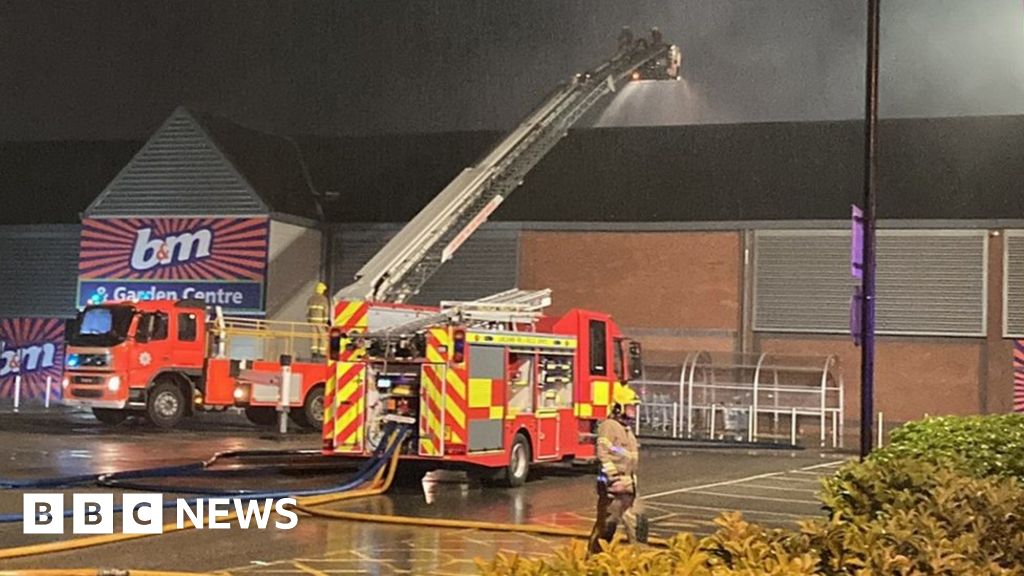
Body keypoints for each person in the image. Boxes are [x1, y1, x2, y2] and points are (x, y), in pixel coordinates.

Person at [587, 382, 642, 554]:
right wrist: (612, 478)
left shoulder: (626, 429)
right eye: (630, 406)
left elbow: (625, 454)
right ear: (619, 407)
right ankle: (593, 561)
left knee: (637, 526)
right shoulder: (609, 426)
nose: (634, 409)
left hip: (628, 484)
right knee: (606, 527)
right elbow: (603, 453)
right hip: (614, 486)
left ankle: (641, 561)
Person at [306, 282, 331, 358]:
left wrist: (309, 320)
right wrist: (326, 322)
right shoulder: (323, 299)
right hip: (320, 322)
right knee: (323, 336)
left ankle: (314, 352)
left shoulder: (311, 299)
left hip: (312, 321)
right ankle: (322, 352)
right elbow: (325, 311)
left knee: (314, 336)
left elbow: (307, 311)